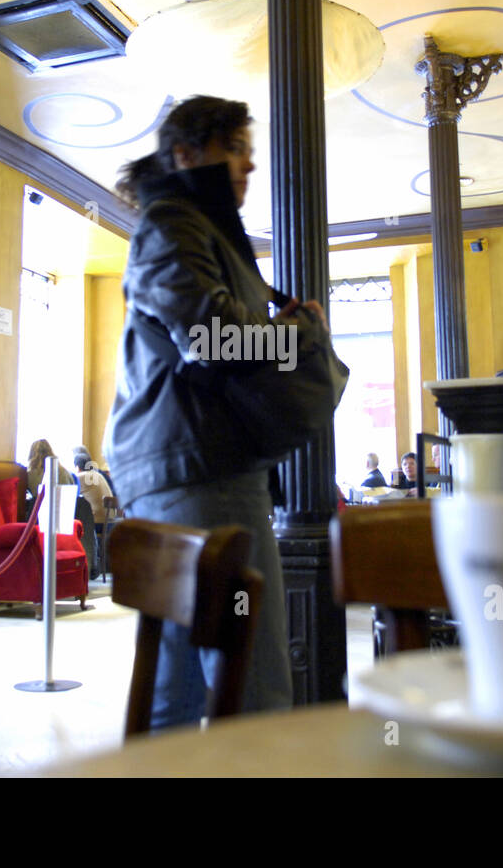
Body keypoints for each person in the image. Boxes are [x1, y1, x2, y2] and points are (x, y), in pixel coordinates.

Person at [104, 95, 327, 729]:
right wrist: (304, 333)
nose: (249, 167)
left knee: (177, 688)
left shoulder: (178, 223)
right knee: (250, 680)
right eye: (236, 150)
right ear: (187, 154)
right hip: (206, 467)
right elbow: (214, 340)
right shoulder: (178, 222)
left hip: (179, 463)